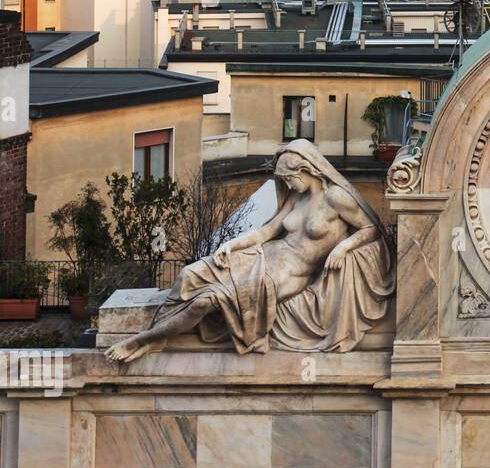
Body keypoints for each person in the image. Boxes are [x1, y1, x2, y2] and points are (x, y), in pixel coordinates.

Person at [105, 140, 394, 363]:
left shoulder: (336, 198)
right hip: (261, 256)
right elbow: (267, 232)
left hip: (284, 275)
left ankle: (144, 340)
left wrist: (344, 247)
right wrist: (233, 244)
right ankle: (157, 330)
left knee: (205, 302)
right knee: (191, 274)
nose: (285, 184)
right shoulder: (298, 196)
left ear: (307, 170)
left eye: (288, 178)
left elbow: (371, 230)